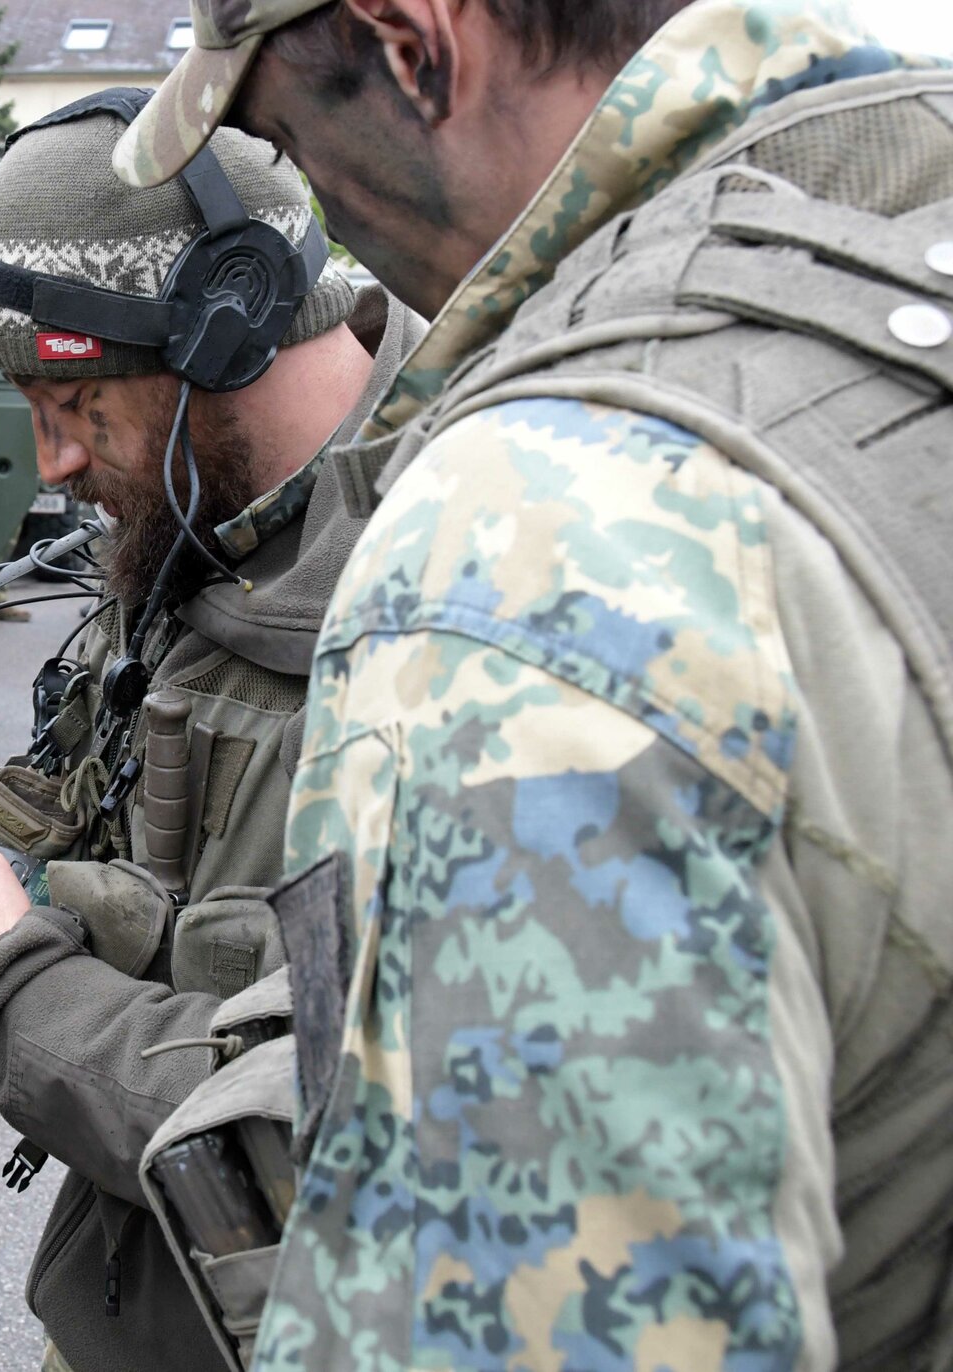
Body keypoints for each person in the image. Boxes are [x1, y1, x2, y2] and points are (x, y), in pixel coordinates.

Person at [114, 0, 953, 1366]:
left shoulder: (542, 538)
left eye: (283, 137)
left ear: (412, 41)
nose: (313, 213)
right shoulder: (884, 259)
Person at [0, 95, 423, 1372]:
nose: (48, 462)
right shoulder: (191, 515)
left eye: (72, 399)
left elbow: (375, 1145)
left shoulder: (450, 604)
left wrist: (13, 989)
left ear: (222, 330)